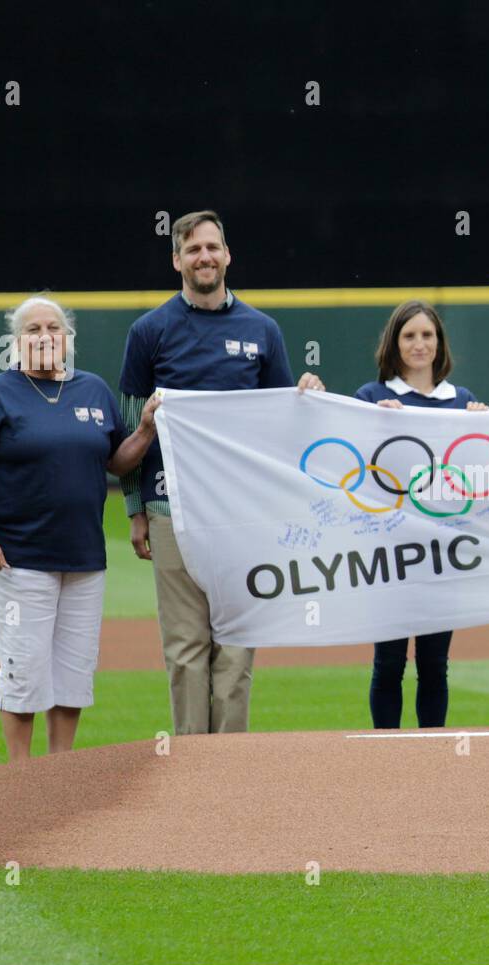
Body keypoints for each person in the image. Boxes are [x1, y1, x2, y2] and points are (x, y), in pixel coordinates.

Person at [119, 210, 325, 735]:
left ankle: (229, 770)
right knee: (186, 648)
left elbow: (281, 421)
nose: (204, 257)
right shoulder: (149, 332)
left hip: (241, 512)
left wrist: (309, 400)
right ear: (176, 260)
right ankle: (190, 767)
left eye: (212, 247)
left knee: (235, 646)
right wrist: (134, 508)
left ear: (227, 254)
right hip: (171, 507)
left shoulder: (262, 330)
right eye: (193, 250)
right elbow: (129, 432)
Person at [0, 296, 161, 761]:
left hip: (84, 557)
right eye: (33, 329)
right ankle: (21, 775)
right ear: (17, 341)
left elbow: (116, 461)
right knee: (24, 669)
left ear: (67, 339)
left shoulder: (92, 390)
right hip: (20, 557)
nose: (45, 335)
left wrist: (144, 430)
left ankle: (61, 768)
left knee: (73, 671)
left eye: (53, 327)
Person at [354, 300, 489, 729]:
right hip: (389, 554)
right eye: (409, 335)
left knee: (435, 664)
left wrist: (481, 429)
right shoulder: (372, 398)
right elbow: (348, 465)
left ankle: (431, 757)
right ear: (394, 343)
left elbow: (476, 478)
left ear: (439, 343)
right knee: (388, 663)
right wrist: (371, 422)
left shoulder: (461, 401)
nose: (419, 344)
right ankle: (387, 754)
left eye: (427, 335)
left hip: (440, 555)